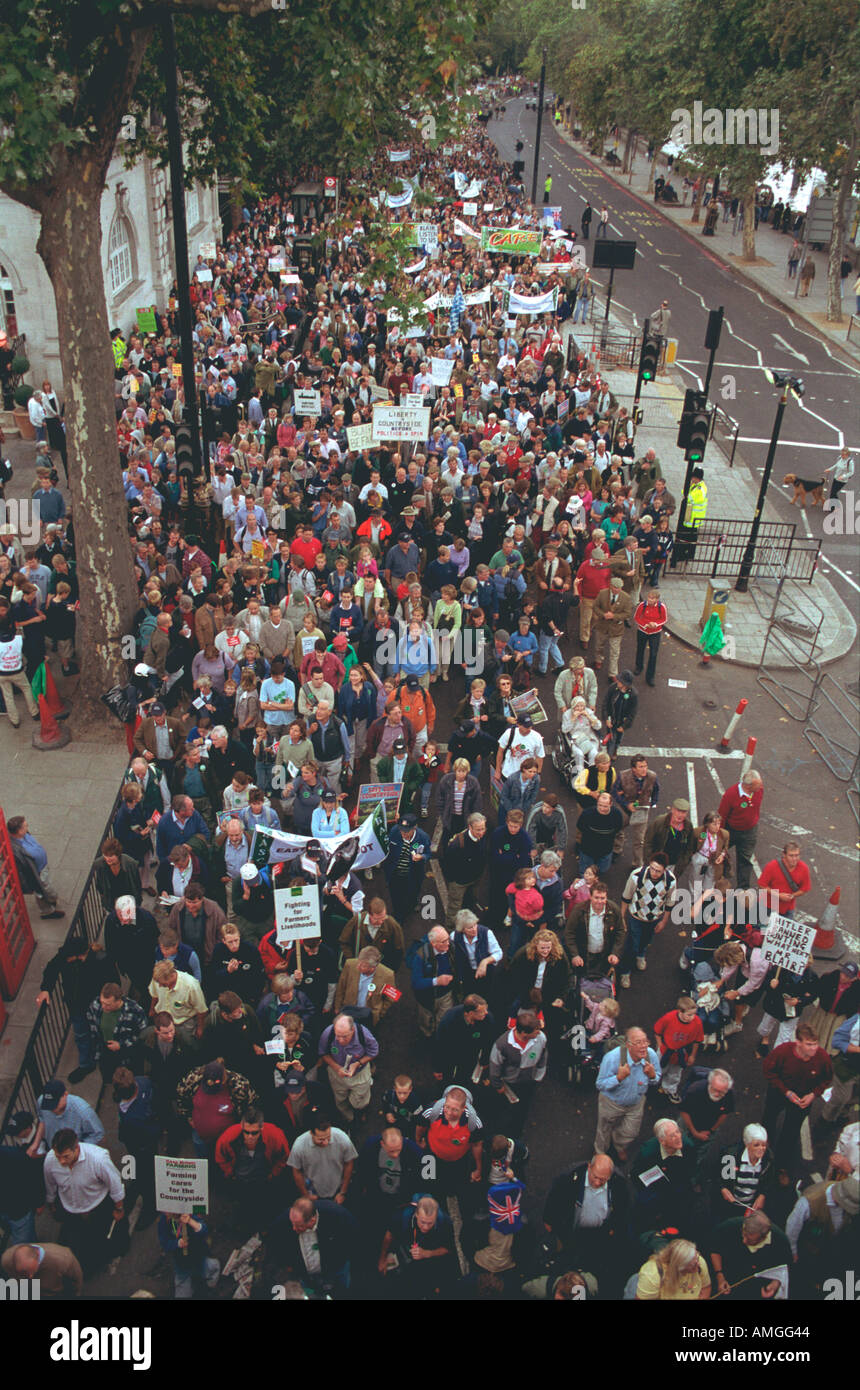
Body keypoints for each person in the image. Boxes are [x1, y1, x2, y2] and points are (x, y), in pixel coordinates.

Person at [43, 1129, 125, 1276]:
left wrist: (119, 1208)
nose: (61, 1161)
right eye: (58, 1156)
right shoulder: (50, 1160)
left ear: (77, 1148)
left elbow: (115, 1183)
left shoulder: (98, 1158)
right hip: (71, 1208)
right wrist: (51, 1203)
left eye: (66, 1156)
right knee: (79, 1243)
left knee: (102, 1238)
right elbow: (50, 1184)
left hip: (98, 1205)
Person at [762, 1024, 833, 1165]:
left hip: (803, 1098)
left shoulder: (823, 1057)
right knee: (769, 1119)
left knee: (792, 1130)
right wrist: (786, 1091)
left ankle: (782, 1163)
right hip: (779, 1092)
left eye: (815, 1044)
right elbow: (768, 1071)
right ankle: (763, 1151)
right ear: (798, 1042)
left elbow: (827, 1078)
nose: (814, 1048)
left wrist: (813, 1094)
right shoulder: (782, 1052)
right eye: (809, 1044)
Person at [594, 1028, 661, 1161]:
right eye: (638, 1042)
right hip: (611, 1103)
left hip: (636, 1103)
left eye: (645, 1041)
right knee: (604, 1130)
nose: (644, 1046)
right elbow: (600, 1084)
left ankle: (619, 1145)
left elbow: (657, 1077)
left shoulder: (651, 1055)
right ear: (628, 1045)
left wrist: (653, 1075)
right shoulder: (612, 1058)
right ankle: (600, 1153)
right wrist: (618, 1078)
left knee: (631, 1132)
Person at [379, 1194, 457, 1297]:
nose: (425, 1227)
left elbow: (449, 1249)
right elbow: (389, 1235)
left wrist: (427, 1253)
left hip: (430, 1257)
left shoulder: (445, 1223)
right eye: (422, 1222)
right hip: (405, 1247)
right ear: (416, 1214)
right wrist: (382, 1258)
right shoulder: (403, 1215)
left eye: (430, 1223)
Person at [618, 854, 677, 989]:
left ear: (664, 870)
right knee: (631, 945)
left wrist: (664, 922)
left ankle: (641, 954)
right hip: (636, 916)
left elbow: (669, 903)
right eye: (652, 869)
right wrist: (622, 917)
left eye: (658, 871)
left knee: (647, 939)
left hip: (654, 918)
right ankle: (625, 971)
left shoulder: (671, 881)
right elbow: (626, 897)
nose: (654, 873)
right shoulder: (636, 875)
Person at [488, 1007, 548, 1135]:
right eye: (536, 1031)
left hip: (528, 1082)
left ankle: (516, 1133)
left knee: (522, 1110)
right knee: (505, 1110)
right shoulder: (502, 1044)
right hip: (509, 1084)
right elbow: (495, 1066)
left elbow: (543, 1057)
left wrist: (538, 1077)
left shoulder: (541, 1038)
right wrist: (497, 1085)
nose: (539, 1033)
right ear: (524, 1033)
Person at [709, 1210, 791, 1300]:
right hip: (729, 1282)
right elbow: (715, 1249)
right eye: (744, 1235)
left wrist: (775, 1283)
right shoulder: (729, 1226)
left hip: (758, 1288)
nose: (744, 1241)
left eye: (750, 1240)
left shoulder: (781, 1241)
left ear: (764, 1237)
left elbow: (784, 1268)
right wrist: (719, 1276)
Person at [318, 1012, 379, 1125]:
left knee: (360, 1099)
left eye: (345, 1036)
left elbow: (374, 1051)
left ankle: (360, 1112)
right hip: (337, 1073)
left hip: (359, 1072)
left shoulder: (363, 1034)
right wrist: (337, 1068)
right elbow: (323, 1053)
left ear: (352, 1030)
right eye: (338, 1036)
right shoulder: (328, 1033)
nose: (340, 1040)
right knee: (340, 1098)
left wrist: (358, 1063)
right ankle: (348, 1119)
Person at [564, 880, 625, 977]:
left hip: (605, 956)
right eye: (596, 897)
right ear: (590, 897)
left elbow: (620, 932)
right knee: (583, 979)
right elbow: (569, 933)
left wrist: (615, 953)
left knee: (603, 981)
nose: (599, 901)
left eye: (602, 898)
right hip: (584, 956)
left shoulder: (614, 910)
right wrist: (575, 955)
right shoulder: (579, 910)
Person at [8, 815, 64, 919]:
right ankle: (47, 912)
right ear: (19, 831)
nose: (27, 827)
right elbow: (23, 870)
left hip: (42, 867)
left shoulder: (23, 835)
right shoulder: (16, 850)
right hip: (36, 874)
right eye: (25, 826)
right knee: (41, 892)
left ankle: (50, 900)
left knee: (46, 888)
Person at [158, 1211, 221, 1300]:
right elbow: (165, 1243)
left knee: (209, 1268)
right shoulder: (164, 1221)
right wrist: (177, 1243)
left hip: (198, 1256)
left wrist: (191, 1221)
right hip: (181, 1262)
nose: (165, 1213)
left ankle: (210, 1283)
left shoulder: (190, 1214)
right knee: (182, 1287)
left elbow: (204, 1230)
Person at [717, 769, 764, 889]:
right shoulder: (731, 795)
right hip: (731, 831)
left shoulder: (759, 790)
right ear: (748, 786)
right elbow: (722, 816)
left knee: (745, 860)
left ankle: (743, 890)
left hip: (750, 832)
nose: (761, 787)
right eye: (758, 785)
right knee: (720, 854)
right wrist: (720, 836)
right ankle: (718, 880)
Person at [442, 813, 489, 926]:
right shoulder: (457, 844)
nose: (481, 832)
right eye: (478, 830)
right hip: (459, 882)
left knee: (470, 902)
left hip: (475, 879)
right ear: (469, 827)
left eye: (483, 828)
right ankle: (451, 930)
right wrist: (454, 881)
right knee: (454, 907)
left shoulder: (482, 837)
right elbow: (447, 865)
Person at [334, 945, 396, 1028]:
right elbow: (341, 988)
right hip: (349, 1012)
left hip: (368, 1017)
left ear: (373, 968)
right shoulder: (349, 964)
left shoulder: (388, 975)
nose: (357, 966)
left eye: (363, 966)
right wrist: (337, 1007)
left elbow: (391, 998)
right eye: (358, 962)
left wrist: (379, 1013)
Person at [34, 1078, 104, 1152]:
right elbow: (42, 1120)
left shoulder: (83, 1112)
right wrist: (36, 1144)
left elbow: (98, 1135)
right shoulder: (41, 1102)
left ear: (65, 1094)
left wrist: (74, 1150)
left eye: (55, 1103)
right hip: (52, 1149)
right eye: (48, 1104)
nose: (52, 1108)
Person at [1, 1240, 83, 1298]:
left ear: (38, 1258)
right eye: (24, 1272)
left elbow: (76, 1280)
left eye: (33, 1271)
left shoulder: (63, 1259)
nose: (30, 1276)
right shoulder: (7, 1261)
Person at [635, 1238, 711, 1300]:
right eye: (693, 1266)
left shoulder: (698, 1261)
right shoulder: (652, 1274)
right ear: (679, 1267)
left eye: (697, 1258)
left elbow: (706, 1288)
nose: (698, 1265)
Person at [757, 841, 811, 920]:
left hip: (787, 909)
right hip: (767, 905)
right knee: (761, 930)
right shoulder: (772, 866)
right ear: (784, 854)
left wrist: (793, 896)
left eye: (797, 855)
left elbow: (804, 889)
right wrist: (778, 895)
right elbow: (762, 885)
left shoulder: (804, 868)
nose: (794, 859)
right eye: (791, 856)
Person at [592, 577, 631, 678]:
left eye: (619, 588)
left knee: (615, 651)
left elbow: (627, 614)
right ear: (610, 586)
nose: (616, 590)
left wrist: (614, 616)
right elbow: (595, 606)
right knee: (599, 645)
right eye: (614, 587)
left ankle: (613, 673)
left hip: (616, 629)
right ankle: (598, 659)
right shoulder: (602, 593)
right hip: (602, 626)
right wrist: (603, 614)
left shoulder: (626, 597)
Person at [577, 791, 624, 875]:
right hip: (587, 850)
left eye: (605, 806)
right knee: (584, 872)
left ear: (611, 804)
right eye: (600, 805)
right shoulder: (587, 813)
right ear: (597, 803)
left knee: (602, 871)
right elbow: (580, 826)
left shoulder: (616, 815)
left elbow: (618, 828)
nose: (602, 808)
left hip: (605, 850)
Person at [632, 589, 667, 686]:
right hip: (643, 631)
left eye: (652, 598)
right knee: (640, 649)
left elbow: (664, 619)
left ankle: (650, 676)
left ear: (657, 599)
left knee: (653, 654)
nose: (650, 600)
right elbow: (636, 617)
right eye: (649, 598)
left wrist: (655, 624)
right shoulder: (642, 605)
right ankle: (639, 666)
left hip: (655, 633)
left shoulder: (662, 607)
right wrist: (646, 625)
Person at [601, 670, 637, 756]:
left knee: (618, 738)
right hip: (612, 720)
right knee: (610, 738)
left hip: (622, 722)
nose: (617, 681)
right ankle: (609, 754)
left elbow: (632, 713)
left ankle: (615, 749)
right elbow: (605, 703)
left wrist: (624, 726)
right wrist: (606, 718)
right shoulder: (613, 688)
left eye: (620, 681)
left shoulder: (633, 695)